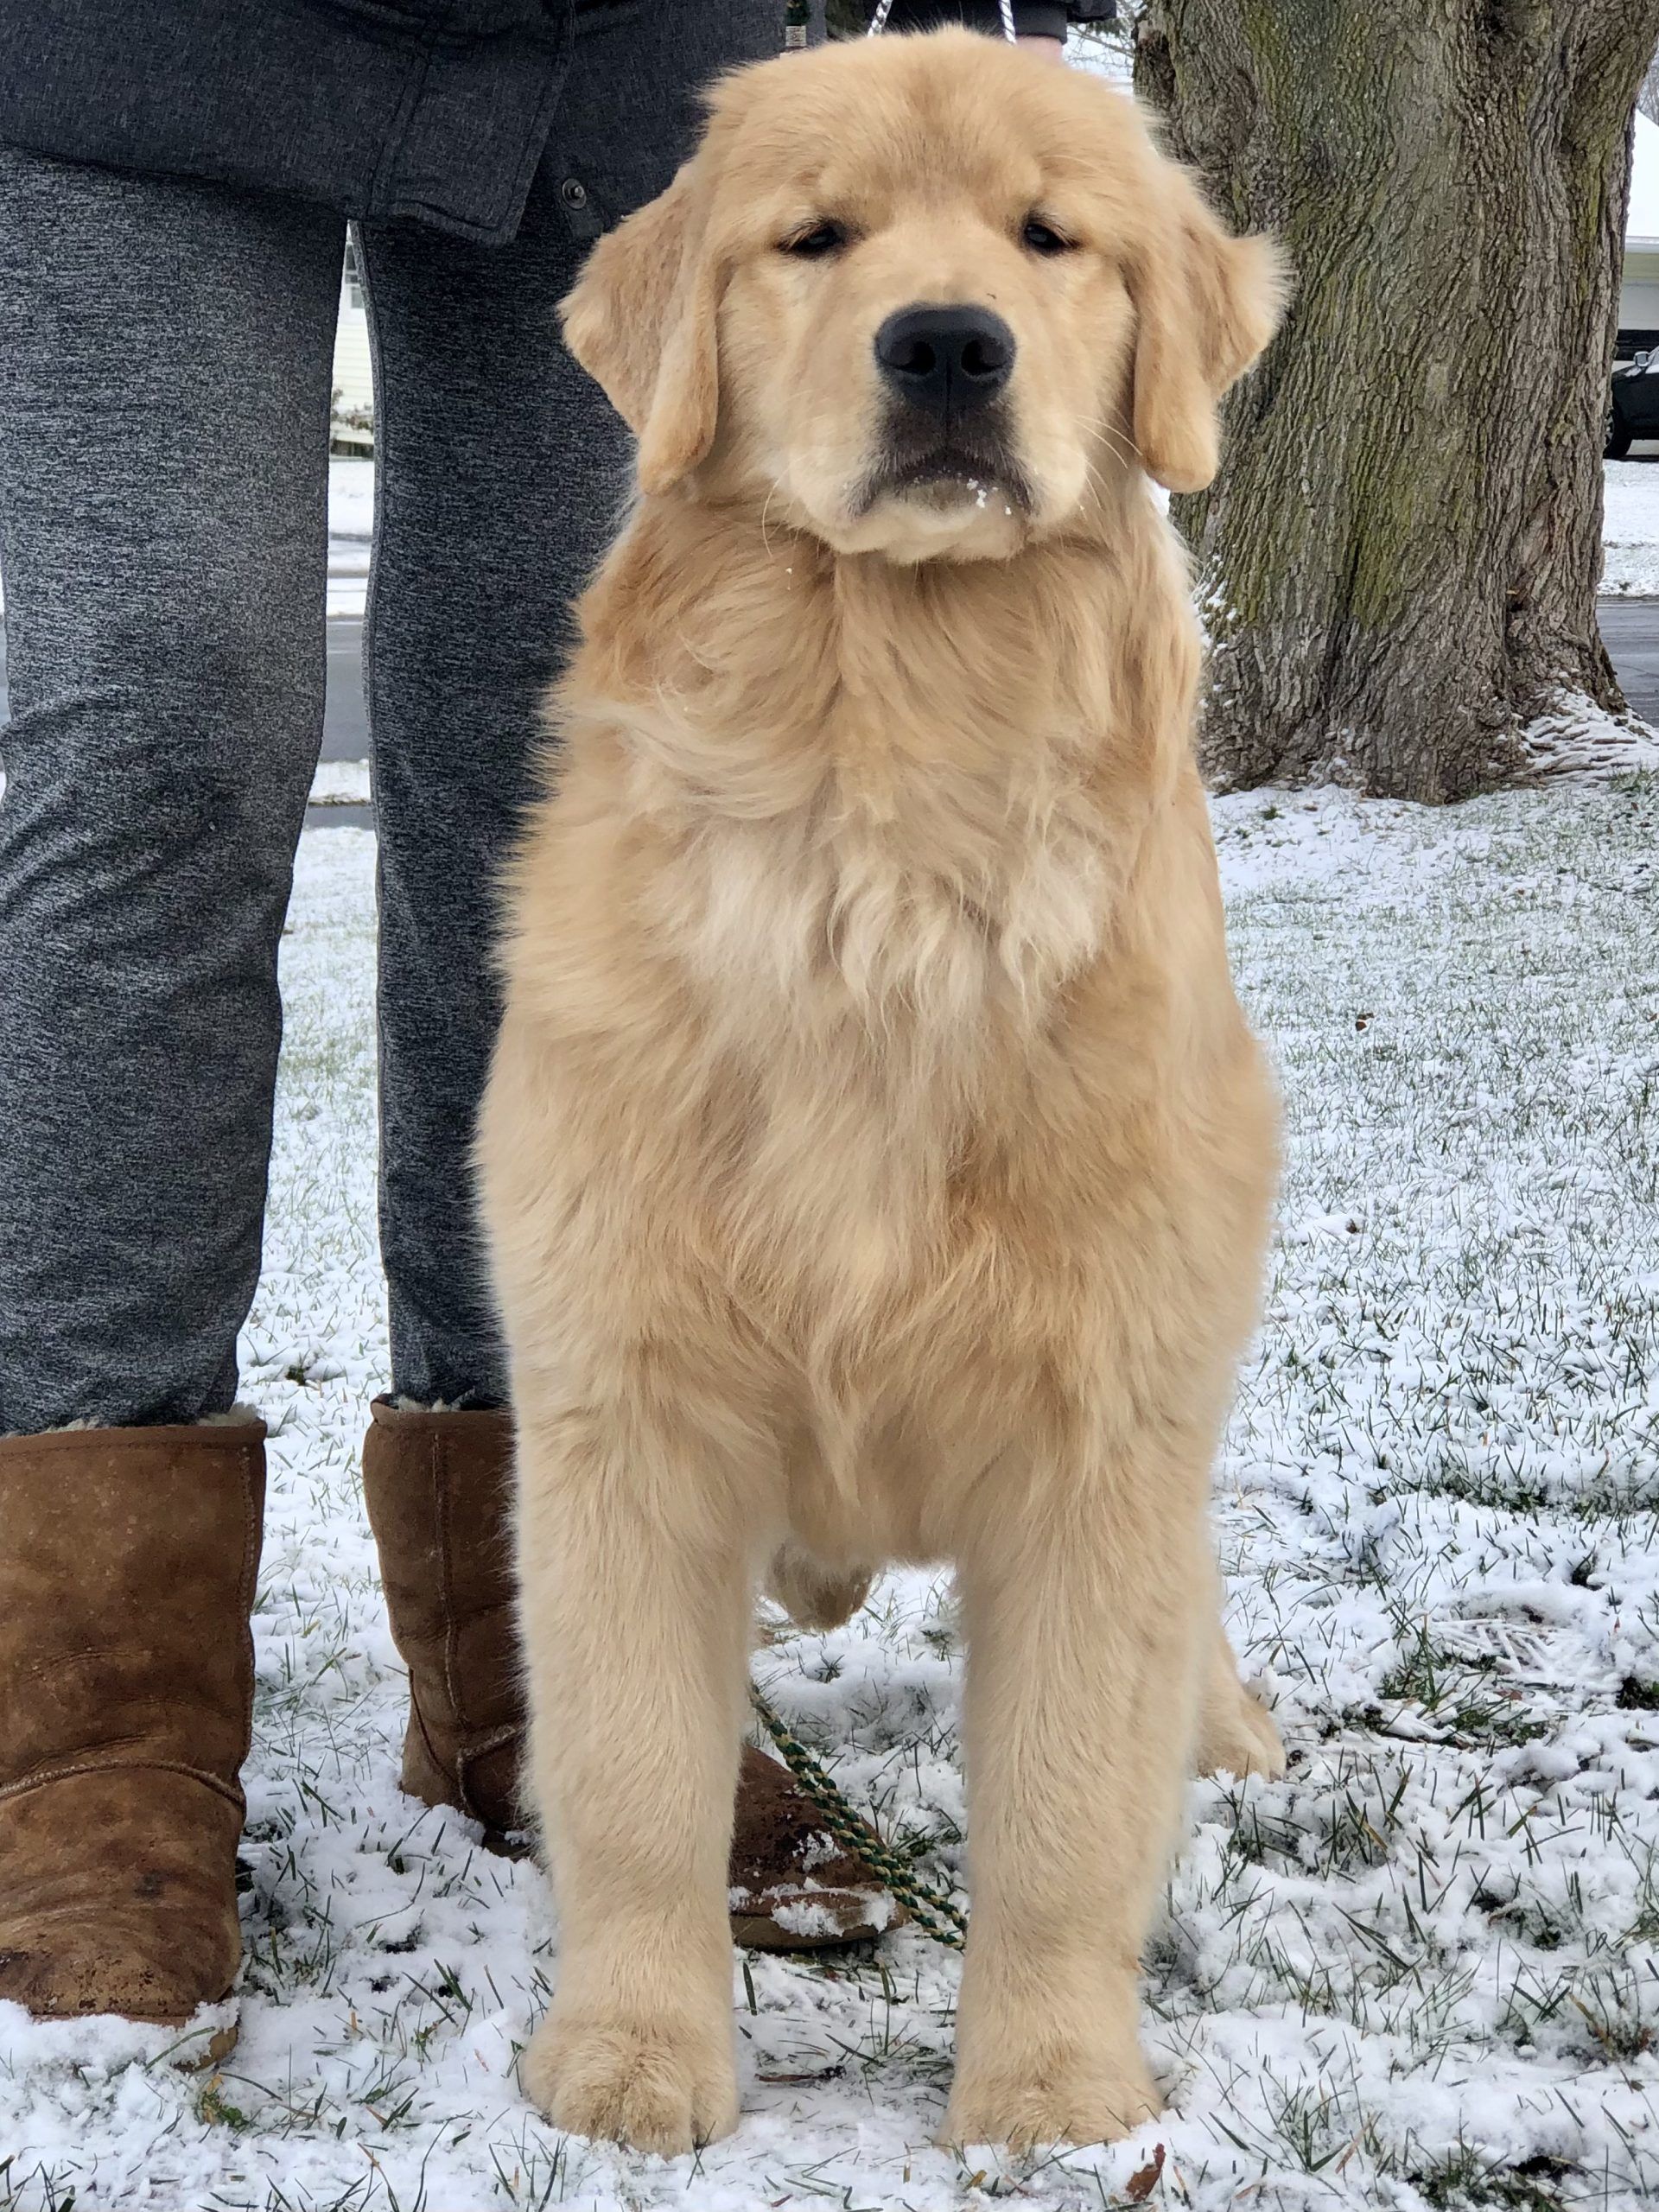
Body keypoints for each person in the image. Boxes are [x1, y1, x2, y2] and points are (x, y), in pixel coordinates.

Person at [0, 0, 1103, 2049]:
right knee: (156, 709)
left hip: (598, 54)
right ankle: (97, 1714)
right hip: (125, 47)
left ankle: (548, 1643)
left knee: (571, 738)